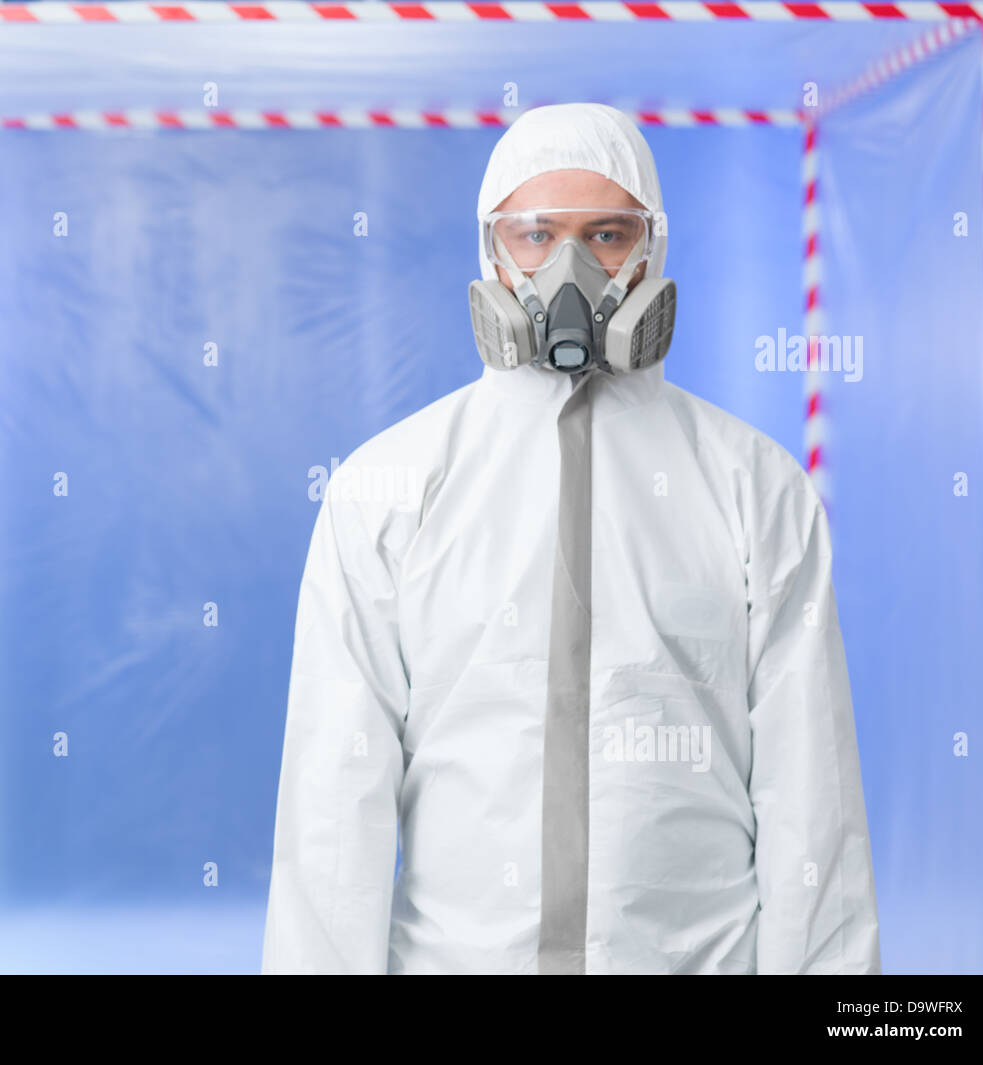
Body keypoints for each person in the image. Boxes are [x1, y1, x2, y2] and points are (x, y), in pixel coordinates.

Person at [261, 103, 881, 975]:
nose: (569, 270)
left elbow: (812, 797)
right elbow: (333, 808)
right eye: (536, 234)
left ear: (652, 247)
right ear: (491, 250)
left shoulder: (755, 486)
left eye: (607, 234)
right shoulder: (389, 488)